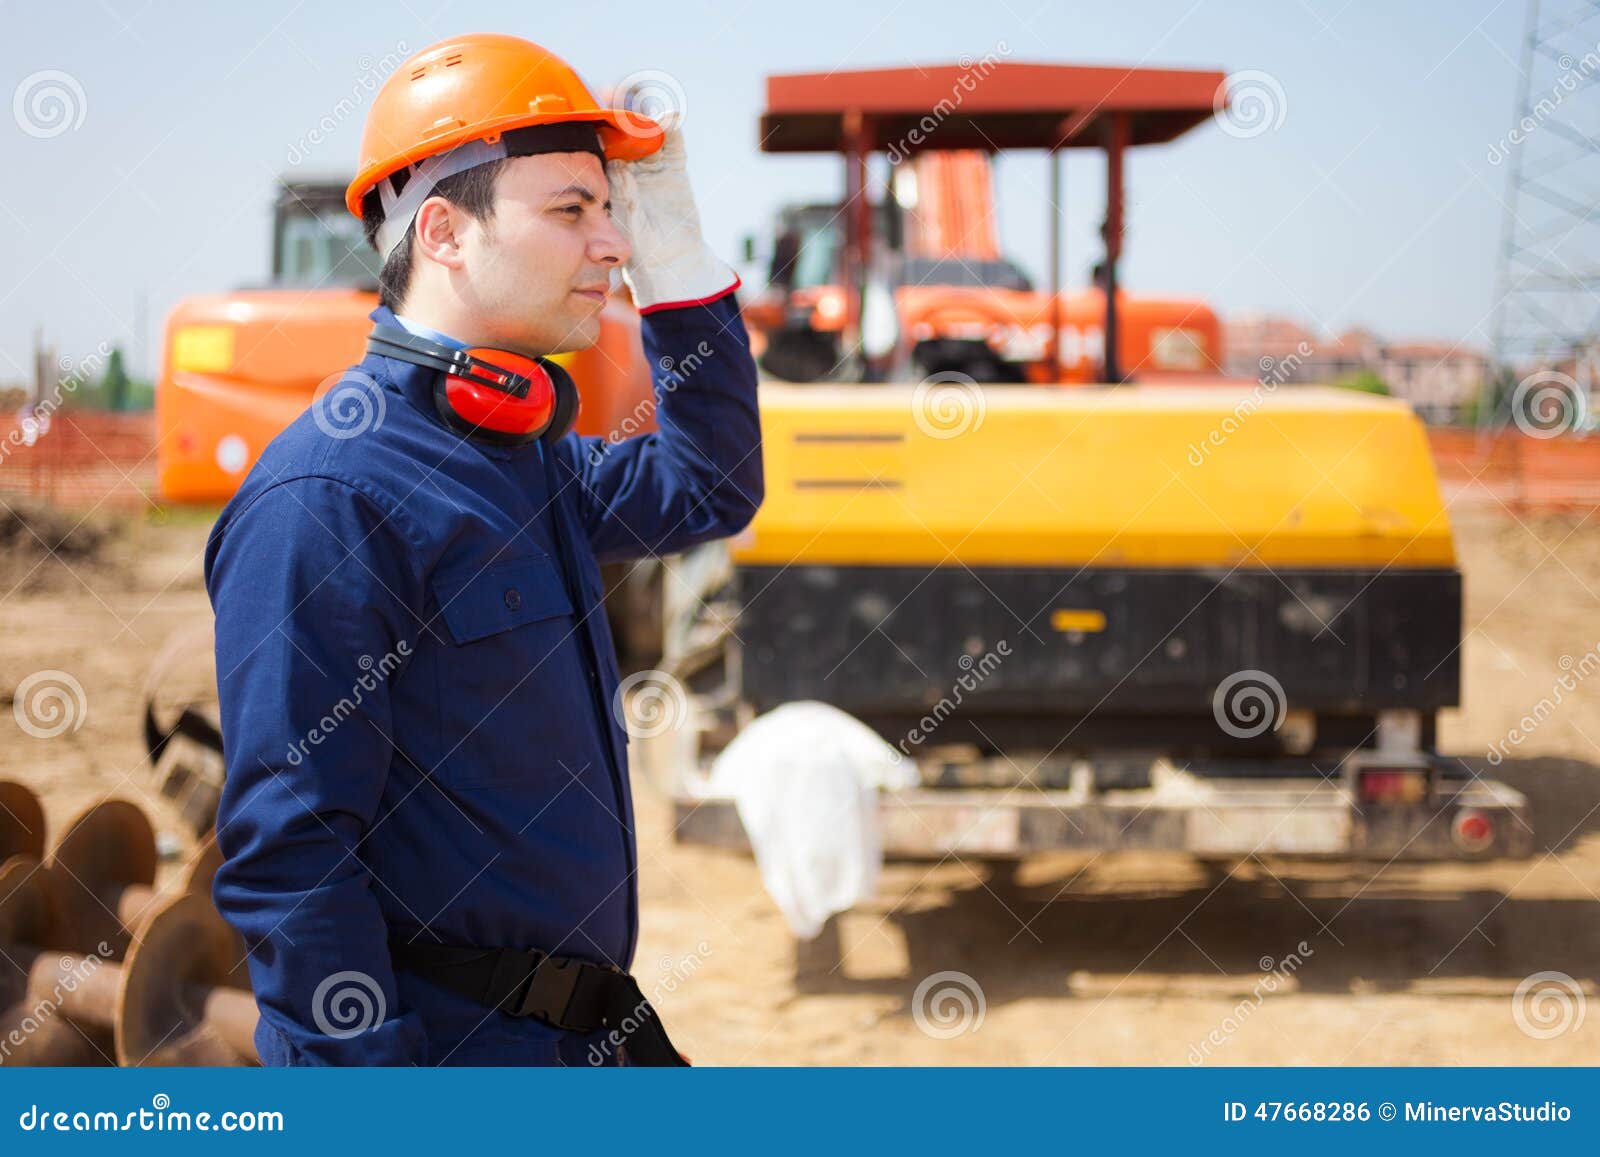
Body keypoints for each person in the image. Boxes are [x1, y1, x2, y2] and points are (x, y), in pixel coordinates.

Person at [204, 33, 762, 1066]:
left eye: (613, 211)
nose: (611, 245)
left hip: (581, 1034)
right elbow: (291, 861)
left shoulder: (521, 455)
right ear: (448, 233)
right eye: (571, 210)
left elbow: (710, 485)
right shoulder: (328, 494)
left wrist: (677, 260)